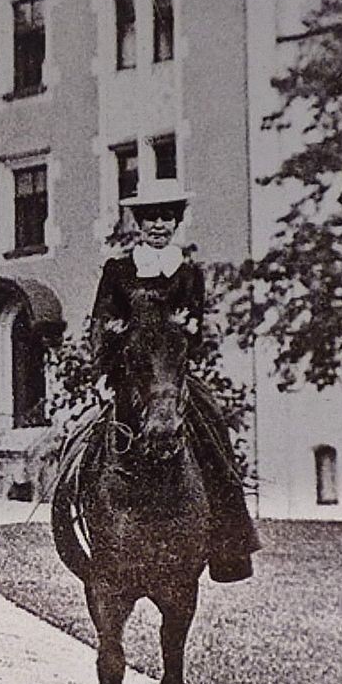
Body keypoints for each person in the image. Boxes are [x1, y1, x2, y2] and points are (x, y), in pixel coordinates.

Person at [88, 180, 260, 582]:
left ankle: (228, 543)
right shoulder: (118, 271)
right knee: (86, 437)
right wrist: (102, 373)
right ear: (139, 223)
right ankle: (74, 516)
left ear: (176, 222)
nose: (159, 225)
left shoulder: (188, 274)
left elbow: (194, 331)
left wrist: (182, 337)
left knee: (214, 422)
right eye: (151, 218)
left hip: (171, 373)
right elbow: (101, 322)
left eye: (166, 217)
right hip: (127, 373)